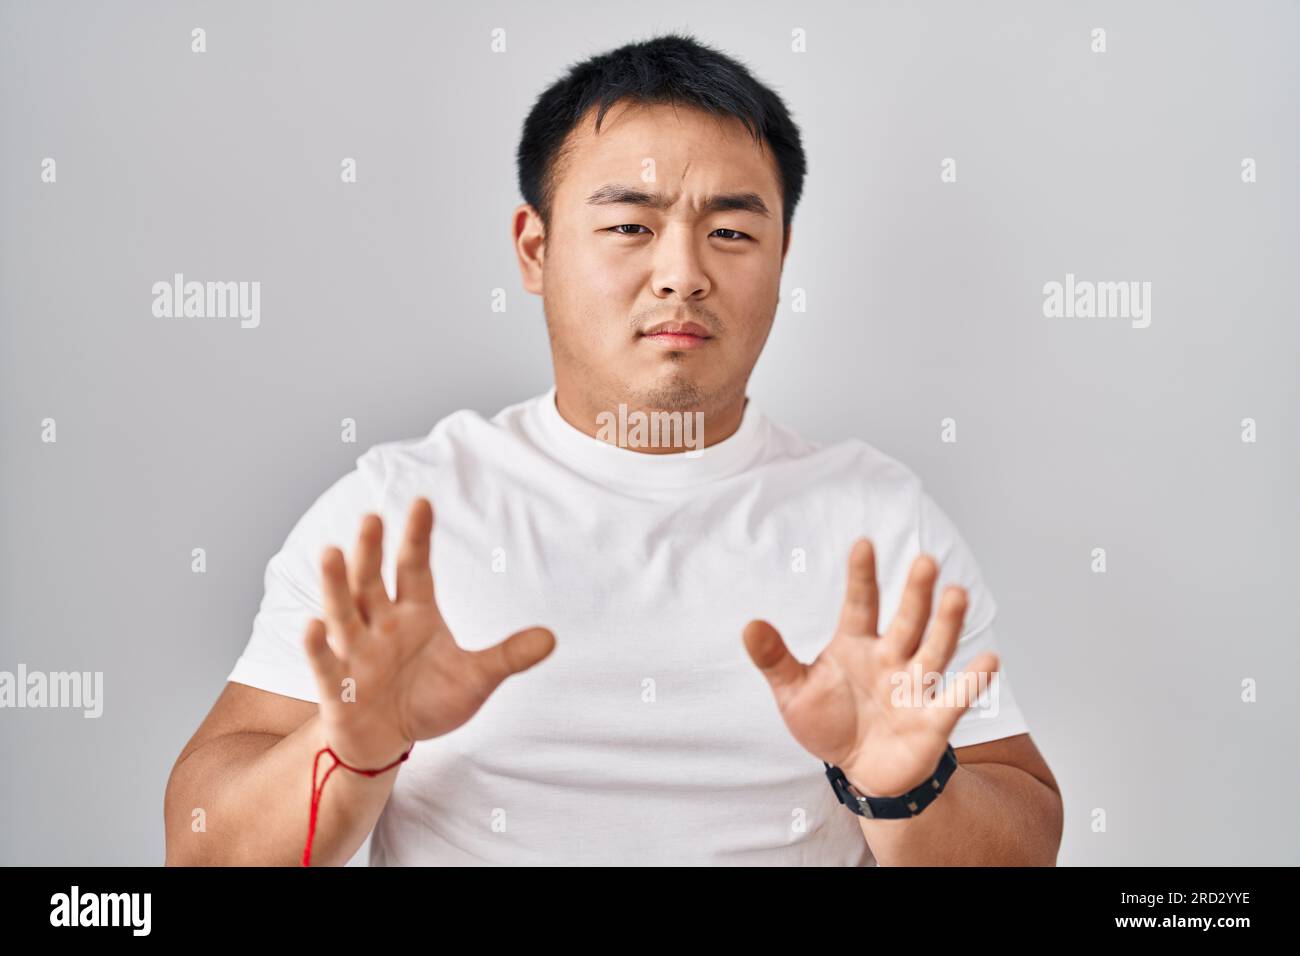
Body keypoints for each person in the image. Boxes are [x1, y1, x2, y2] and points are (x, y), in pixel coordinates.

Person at [164, 32, 1062, 866]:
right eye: (631, 224)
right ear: (535, 247)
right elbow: (199, 845)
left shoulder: (876, 524)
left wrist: (901, 784)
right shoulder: (399, 514)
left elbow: (1026, 841)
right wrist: (350, 748)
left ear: (782, 257)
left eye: (733, 231)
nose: (683, 271)